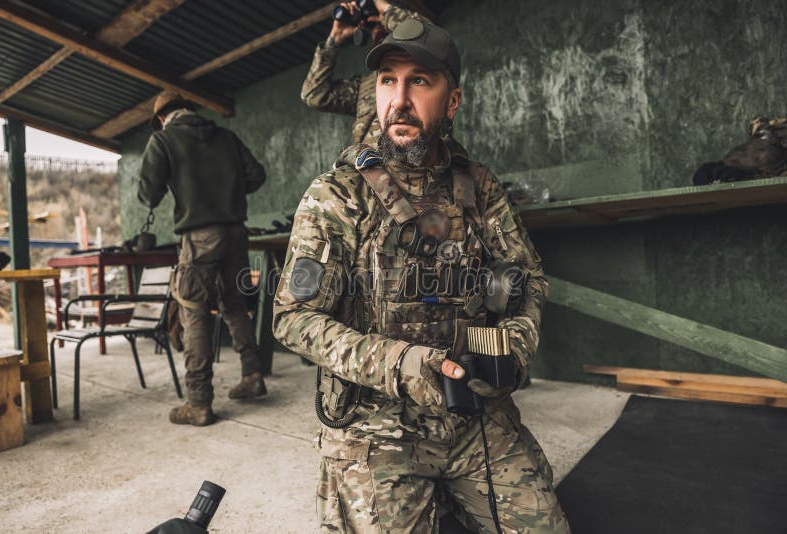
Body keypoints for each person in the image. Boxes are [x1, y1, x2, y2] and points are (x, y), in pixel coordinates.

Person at [274, 19, 570, 533]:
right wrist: (402, 363)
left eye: (420, 81)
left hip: (474, 417)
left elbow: (527, 279)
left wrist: (514, 347)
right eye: (388, 80)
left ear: (451, 101)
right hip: (375, 425)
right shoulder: (338, 194)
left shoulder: (478, 187)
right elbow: (293, 318)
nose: (399, 99)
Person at [138, 92, 268, 427]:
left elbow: (148, 194)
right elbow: (256, 176)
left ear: (161, 118)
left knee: (193, 309)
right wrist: (225, 192)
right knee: (235, 304)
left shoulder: (162, 140)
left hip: (199, 237)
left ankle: (198, 401)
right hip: (237, 232)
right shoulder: (226, 136)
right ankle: (252, 375)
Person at [301, 0, 430, 147]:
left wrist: (384, 9)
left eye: (385, 21)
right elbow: (314, 94)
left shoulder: (428, 68)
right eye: (373, 26)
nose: (377, 29)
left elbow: (425, 38)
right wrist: (335, 38)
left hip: (416, 165)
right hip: (367, 167)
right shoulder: (367, 85)